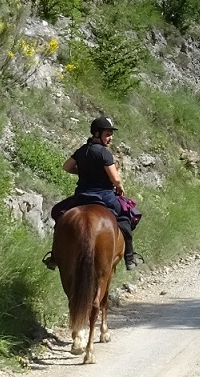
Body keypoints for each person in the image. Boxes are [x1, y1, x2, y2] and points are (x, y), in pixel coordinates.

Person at [45, 115, 139, 269]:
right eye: (108, 134)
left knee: (58, 213)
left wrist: (84, 172)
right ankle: (129, 257)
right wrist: (120, 188)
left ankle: (54, 256)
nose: (110, 138)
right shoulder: (104, 153)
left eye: (111, 134)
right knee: (125, 217)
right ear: (97, 134)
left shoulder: (82, 150)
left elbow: (66, 167)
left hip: (81, 197)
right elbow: (116, 180)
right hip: (105, 197)